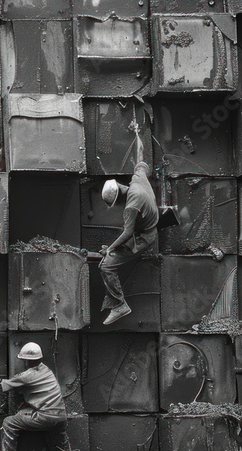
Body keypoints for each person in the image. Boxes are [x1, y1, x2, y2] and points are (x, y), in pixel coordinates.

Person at [99, 119, 159, 326]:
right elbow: (141, 158)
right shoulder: (137, 178)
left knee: (106, 266)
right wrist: (137, 132)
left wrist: (111, 249)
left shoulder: (130, 207)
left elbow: (127, 233)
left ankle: (119, 305)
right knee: (111, 250)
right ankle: (112, 298)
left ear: (119, 198)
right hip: (148, 227)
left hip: (144, 238)